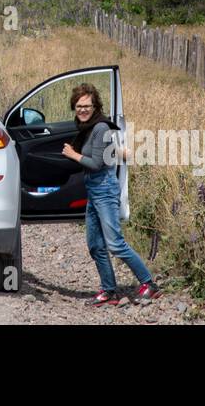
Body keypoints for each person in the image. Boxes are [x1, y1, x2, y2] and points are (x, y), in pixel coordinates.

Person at [60, 82, 161, 305]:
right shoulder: (90, 128)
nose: (83, 110)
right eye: (78, 106)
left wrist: (73, 154)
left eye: (87, 105)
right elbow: (103, 151)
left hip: (104, 190)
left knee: (115, 244)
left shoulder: (101, 128)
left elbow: (95, 163)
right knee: (95, 245)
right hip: (94, 190)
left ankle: (149, 284)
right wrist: (118, 151)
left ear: (95, 106)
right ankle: (109, 291)